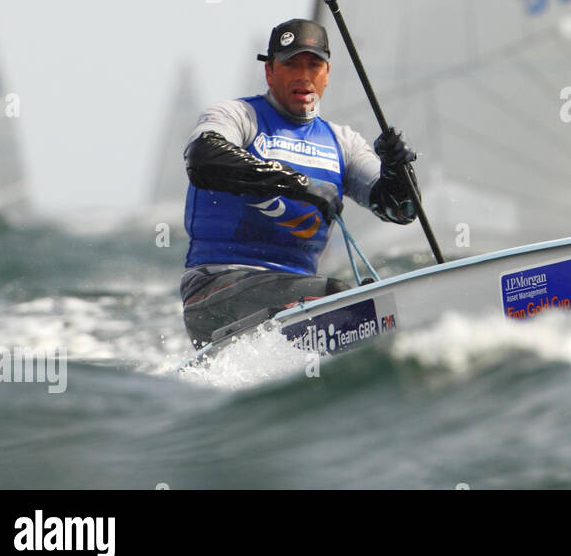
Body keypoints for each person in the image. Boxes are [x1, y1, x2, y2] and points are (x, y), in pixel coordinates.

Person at [179, 18, 418, 349]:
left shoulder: (342, 142)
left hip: (295, 293)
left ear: (327, 74)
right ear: (270, 72)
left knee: (352, 298)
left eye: (314, 65)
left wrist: (397, 170)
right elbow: (203, 159)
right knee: (341, 298)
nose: (303, 76)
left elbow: (400, 210)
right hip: (215, 290)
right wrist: (297, 184)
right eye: (291, 64)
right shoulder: (238, 116)